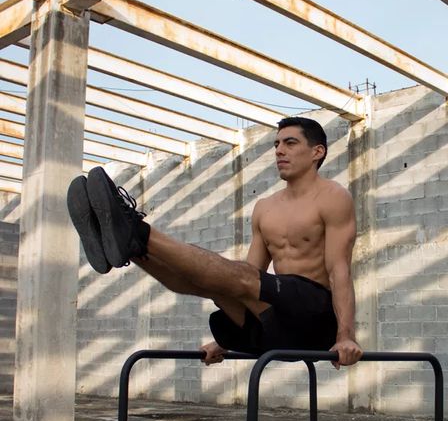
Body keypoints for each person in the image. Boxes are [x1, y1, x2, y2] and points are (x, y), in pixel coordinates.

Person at [67, 117, 362, 368]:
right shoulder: (265, 208)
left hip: (316, 317)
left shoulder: (333, 197)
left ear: (317, 152)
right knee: (216, 285)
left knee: (240, 277)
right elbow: (247, 275)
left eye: (290, 143)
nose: (279, 151)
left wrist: (345, 336)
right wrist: (225, 340)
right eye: (276, 144)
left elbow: (339, 270)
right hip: (279, 324)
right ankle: (135, 249)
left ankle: (137, 231)